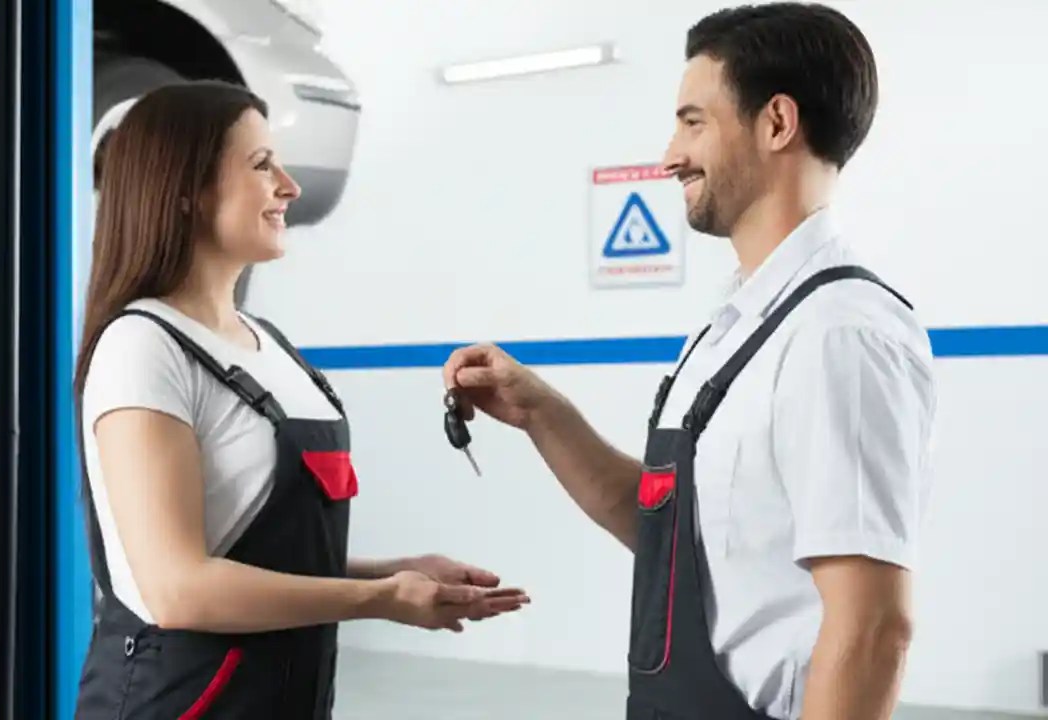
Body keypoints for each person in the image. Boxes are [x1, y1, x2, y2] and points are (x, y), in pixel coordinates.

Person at [443, 4, 935, 720]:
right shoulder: (735, 327)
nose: (671, 153)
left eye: (693, 121)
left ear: (776, 124)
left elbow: (871, 629)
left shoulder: (839, 334)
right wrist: (537, 411)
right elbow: (666, 533)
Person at [72, 80, 529, 720]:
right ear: (186, 193)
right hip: (177, 702)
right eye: (262, 165)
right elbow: (179, 589)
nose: (290, 186)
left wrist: (394, 572)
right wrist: (381, 600)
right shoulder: (142, 348)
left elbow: (256, 552)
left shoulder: (269, 346)